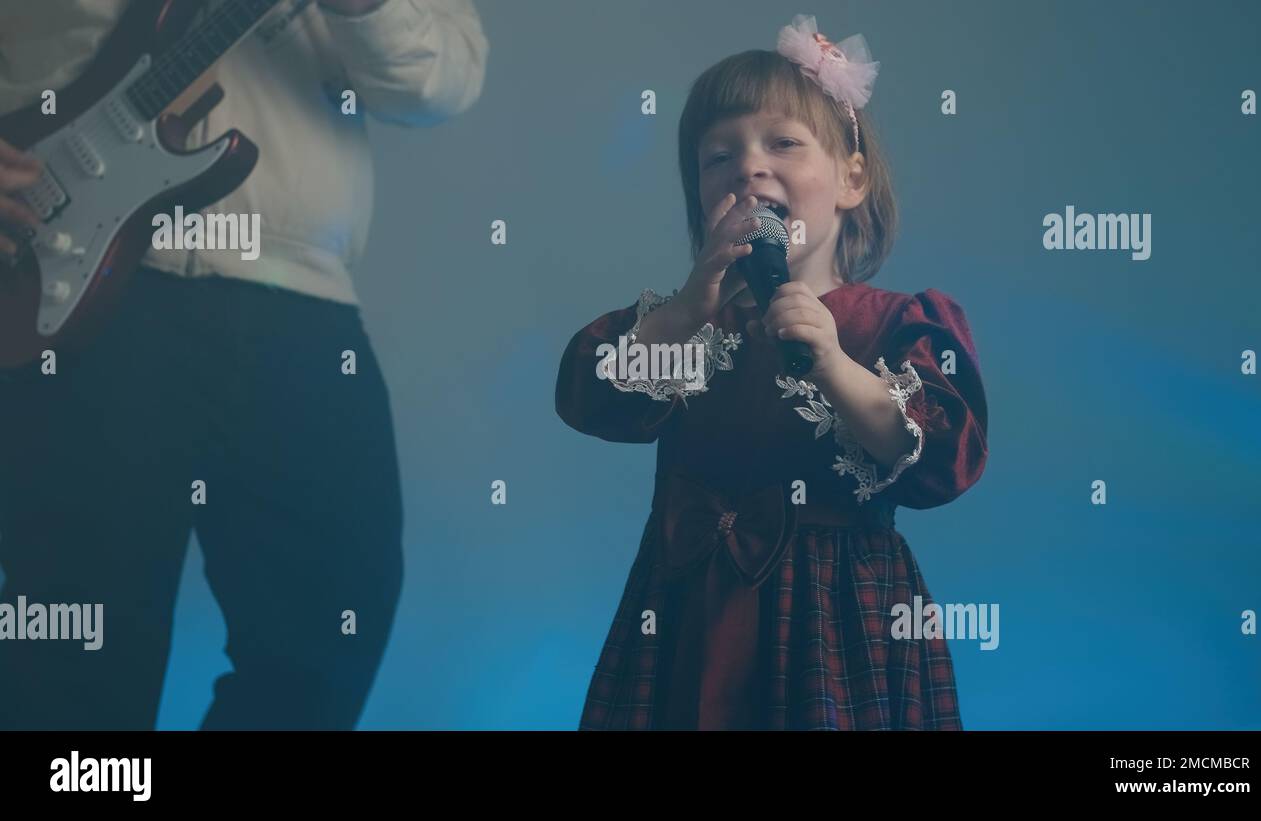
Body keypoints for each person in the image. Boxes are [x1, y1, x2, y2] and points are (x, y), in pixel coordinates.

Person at [0, 0, 487, 729]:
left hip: (295, 296)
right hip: (60, 282)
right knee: (73, 660)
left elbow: (444, 79)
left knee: (327, 631)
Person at [555, 15, 988, 730]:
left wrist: (831, 362)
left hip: (836, 622)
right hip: (688, 609)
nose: (748, 167)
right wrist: (691, 305)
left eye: (782, 142)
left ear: (852, 177)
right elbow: (589, 392)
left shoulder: (893, 322)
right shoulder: (684, 325)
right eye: (717, 156)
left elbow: (942, 451)